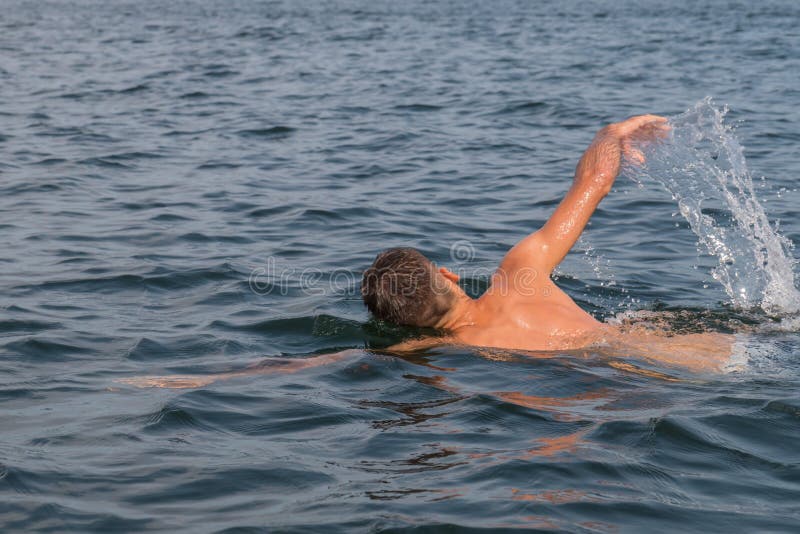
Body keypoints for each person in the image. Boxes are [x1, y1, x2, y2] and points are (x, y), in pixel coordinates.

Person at [121, 115, 735, 390]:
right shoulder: (522, 274)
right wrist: (611, 134)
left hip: (638, 383)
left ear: (397, 328)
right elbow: (590, 188)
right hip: (704, 355)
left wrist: (195, 377)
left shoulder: (444, 350)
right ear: (446, 274)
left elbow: (304, 366)